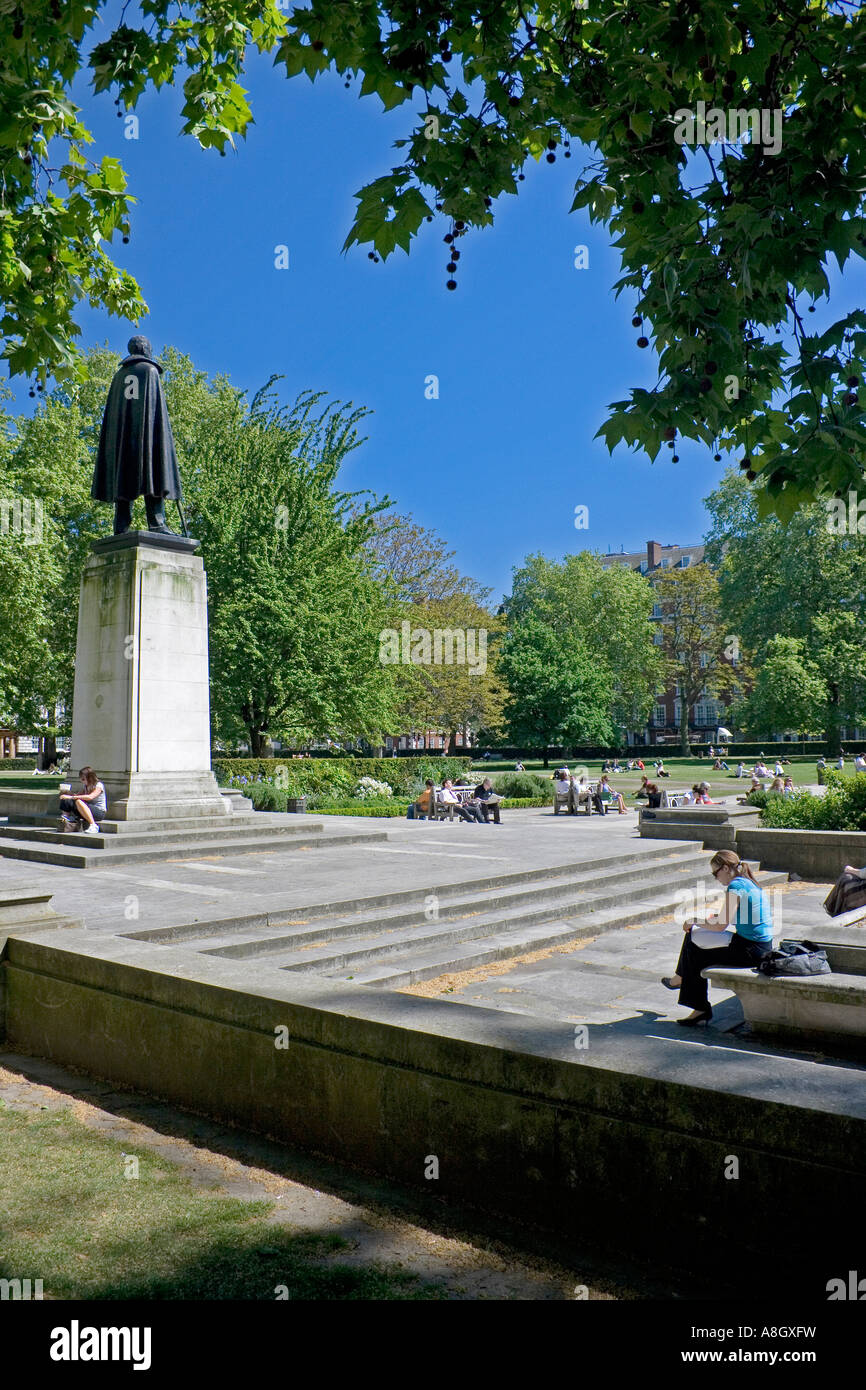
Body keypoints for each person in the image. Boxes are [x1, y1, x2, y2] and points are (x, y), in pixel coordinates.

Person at [660, 850, 774, 1024]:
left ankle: (688, 991)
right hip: (760, 946)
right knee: (696, 944)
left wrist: (694, 920)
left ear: (726, 868)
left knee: (694, 946)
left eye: (716, 873)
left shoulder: (736, 886)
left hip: (750, 950)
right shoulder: (749, 883)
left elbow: (721, 925)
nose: (716, 878)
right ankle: (685, 986)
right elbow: (735, 918)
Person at [59, 766, 107, 835]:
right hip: (86, 809)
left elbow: (90, 797)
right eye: (81, 779)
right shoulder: (86, 787)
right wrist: (68, 794)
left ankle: (93, 825)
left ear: (90, 778)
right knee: (66, 799)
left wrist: (72, 797)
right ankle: (67, 818)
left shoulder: (99, 786)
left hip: (99, 812)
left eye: (83, 779)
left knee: (78, 801)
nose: (82, 781)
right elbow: (76, 796)